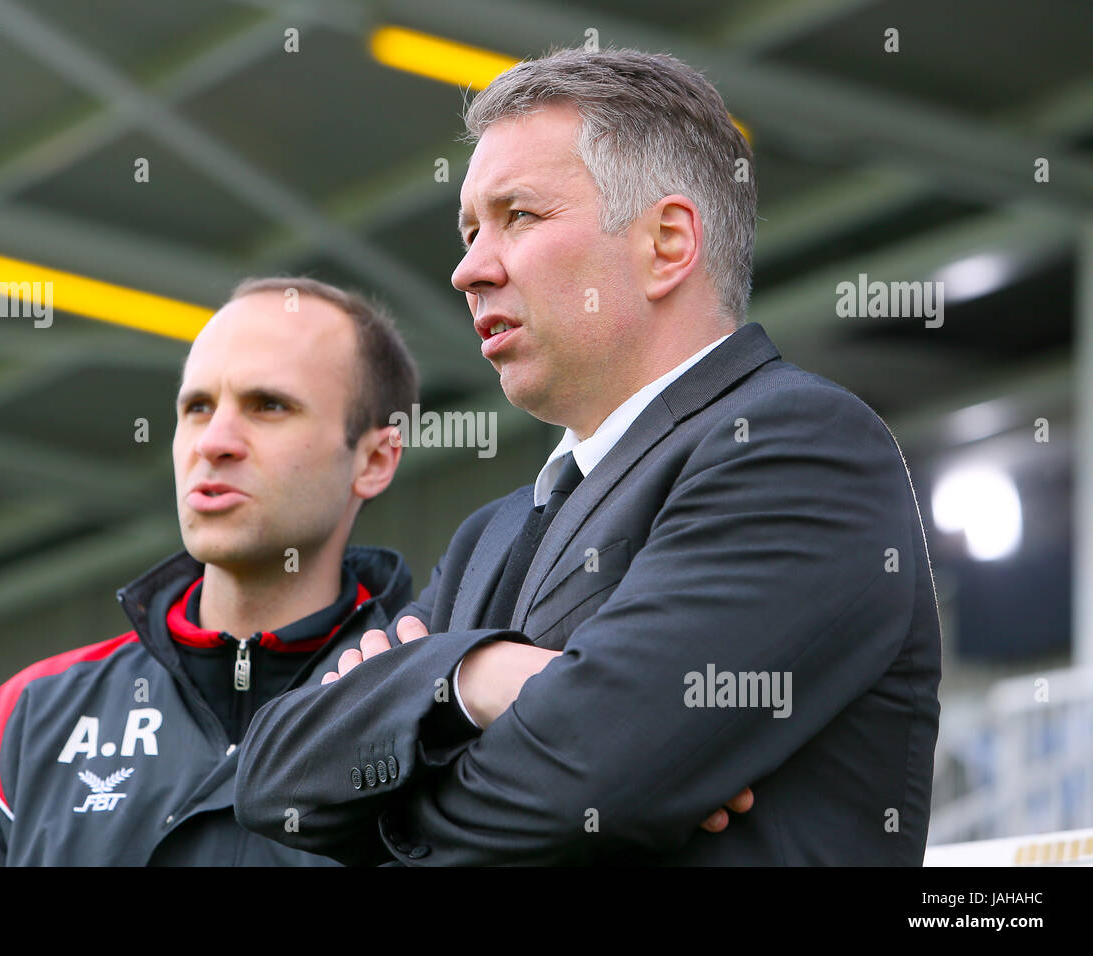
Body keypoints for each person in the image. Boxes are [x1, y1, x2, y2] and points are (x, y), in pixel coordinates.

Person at [235, 47, 942, 865]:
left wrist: (392, 784)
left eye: (519, 217)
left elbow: (594, 775)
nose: (468, 269)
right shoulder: (490, 536)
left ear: (667, 243)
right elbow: (274, 776)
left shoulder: (800, 449)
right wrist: (477, 676)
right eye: (469, 229)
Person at [0, 276, 419, 865]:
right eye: (197, 407)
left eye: (269, 405)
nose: (214, 442)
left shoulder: (433, 704)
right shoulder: (20, 724)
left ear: (374, 459)